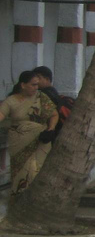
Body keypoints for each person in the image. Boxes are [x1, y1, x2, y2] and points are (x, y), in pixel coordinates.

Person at [0, 70, 59, 201]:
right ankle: (20, 203)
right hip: (19, 142)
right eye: (33, 85)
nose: (36, 88)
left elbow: (54, 115)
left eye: (37, 85)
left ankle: (38, 203)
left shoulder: (41, 97)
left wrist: (50, 129)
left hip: (41, 141)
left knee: (39, 171)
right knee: (24, 173)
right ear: (23, 85)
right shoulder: (11, 101)